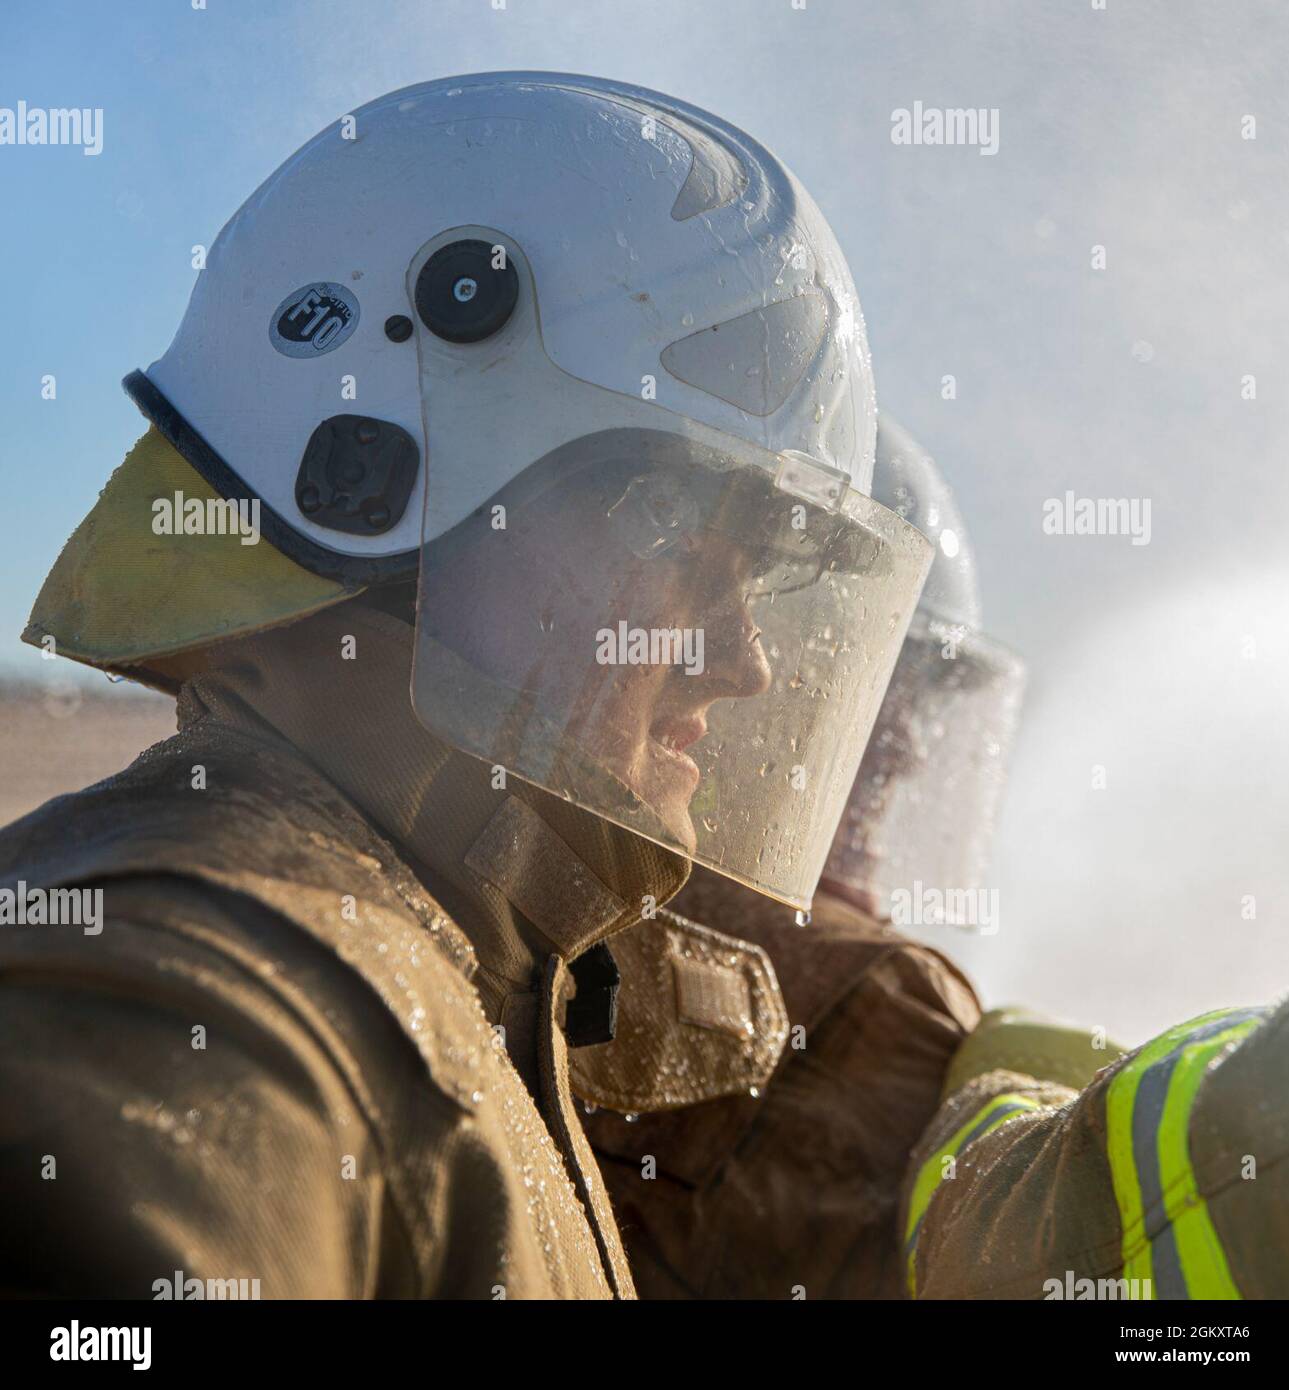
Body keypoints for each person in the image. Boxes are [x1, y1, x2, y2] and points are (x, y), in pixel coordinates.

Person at [0, 73, 934, 1298]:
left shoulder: (489, 946)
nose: (745, 658)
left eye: (754, 582)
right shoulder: (197, 977)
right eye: (676, 542)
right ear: (362, 482)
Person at [579, 418, 1289, 1301]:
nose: (911, 755)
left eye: (925, 706)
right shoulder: (883, 1002)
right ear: (754, 665)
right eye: (882, 693)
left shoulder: (525, 905)